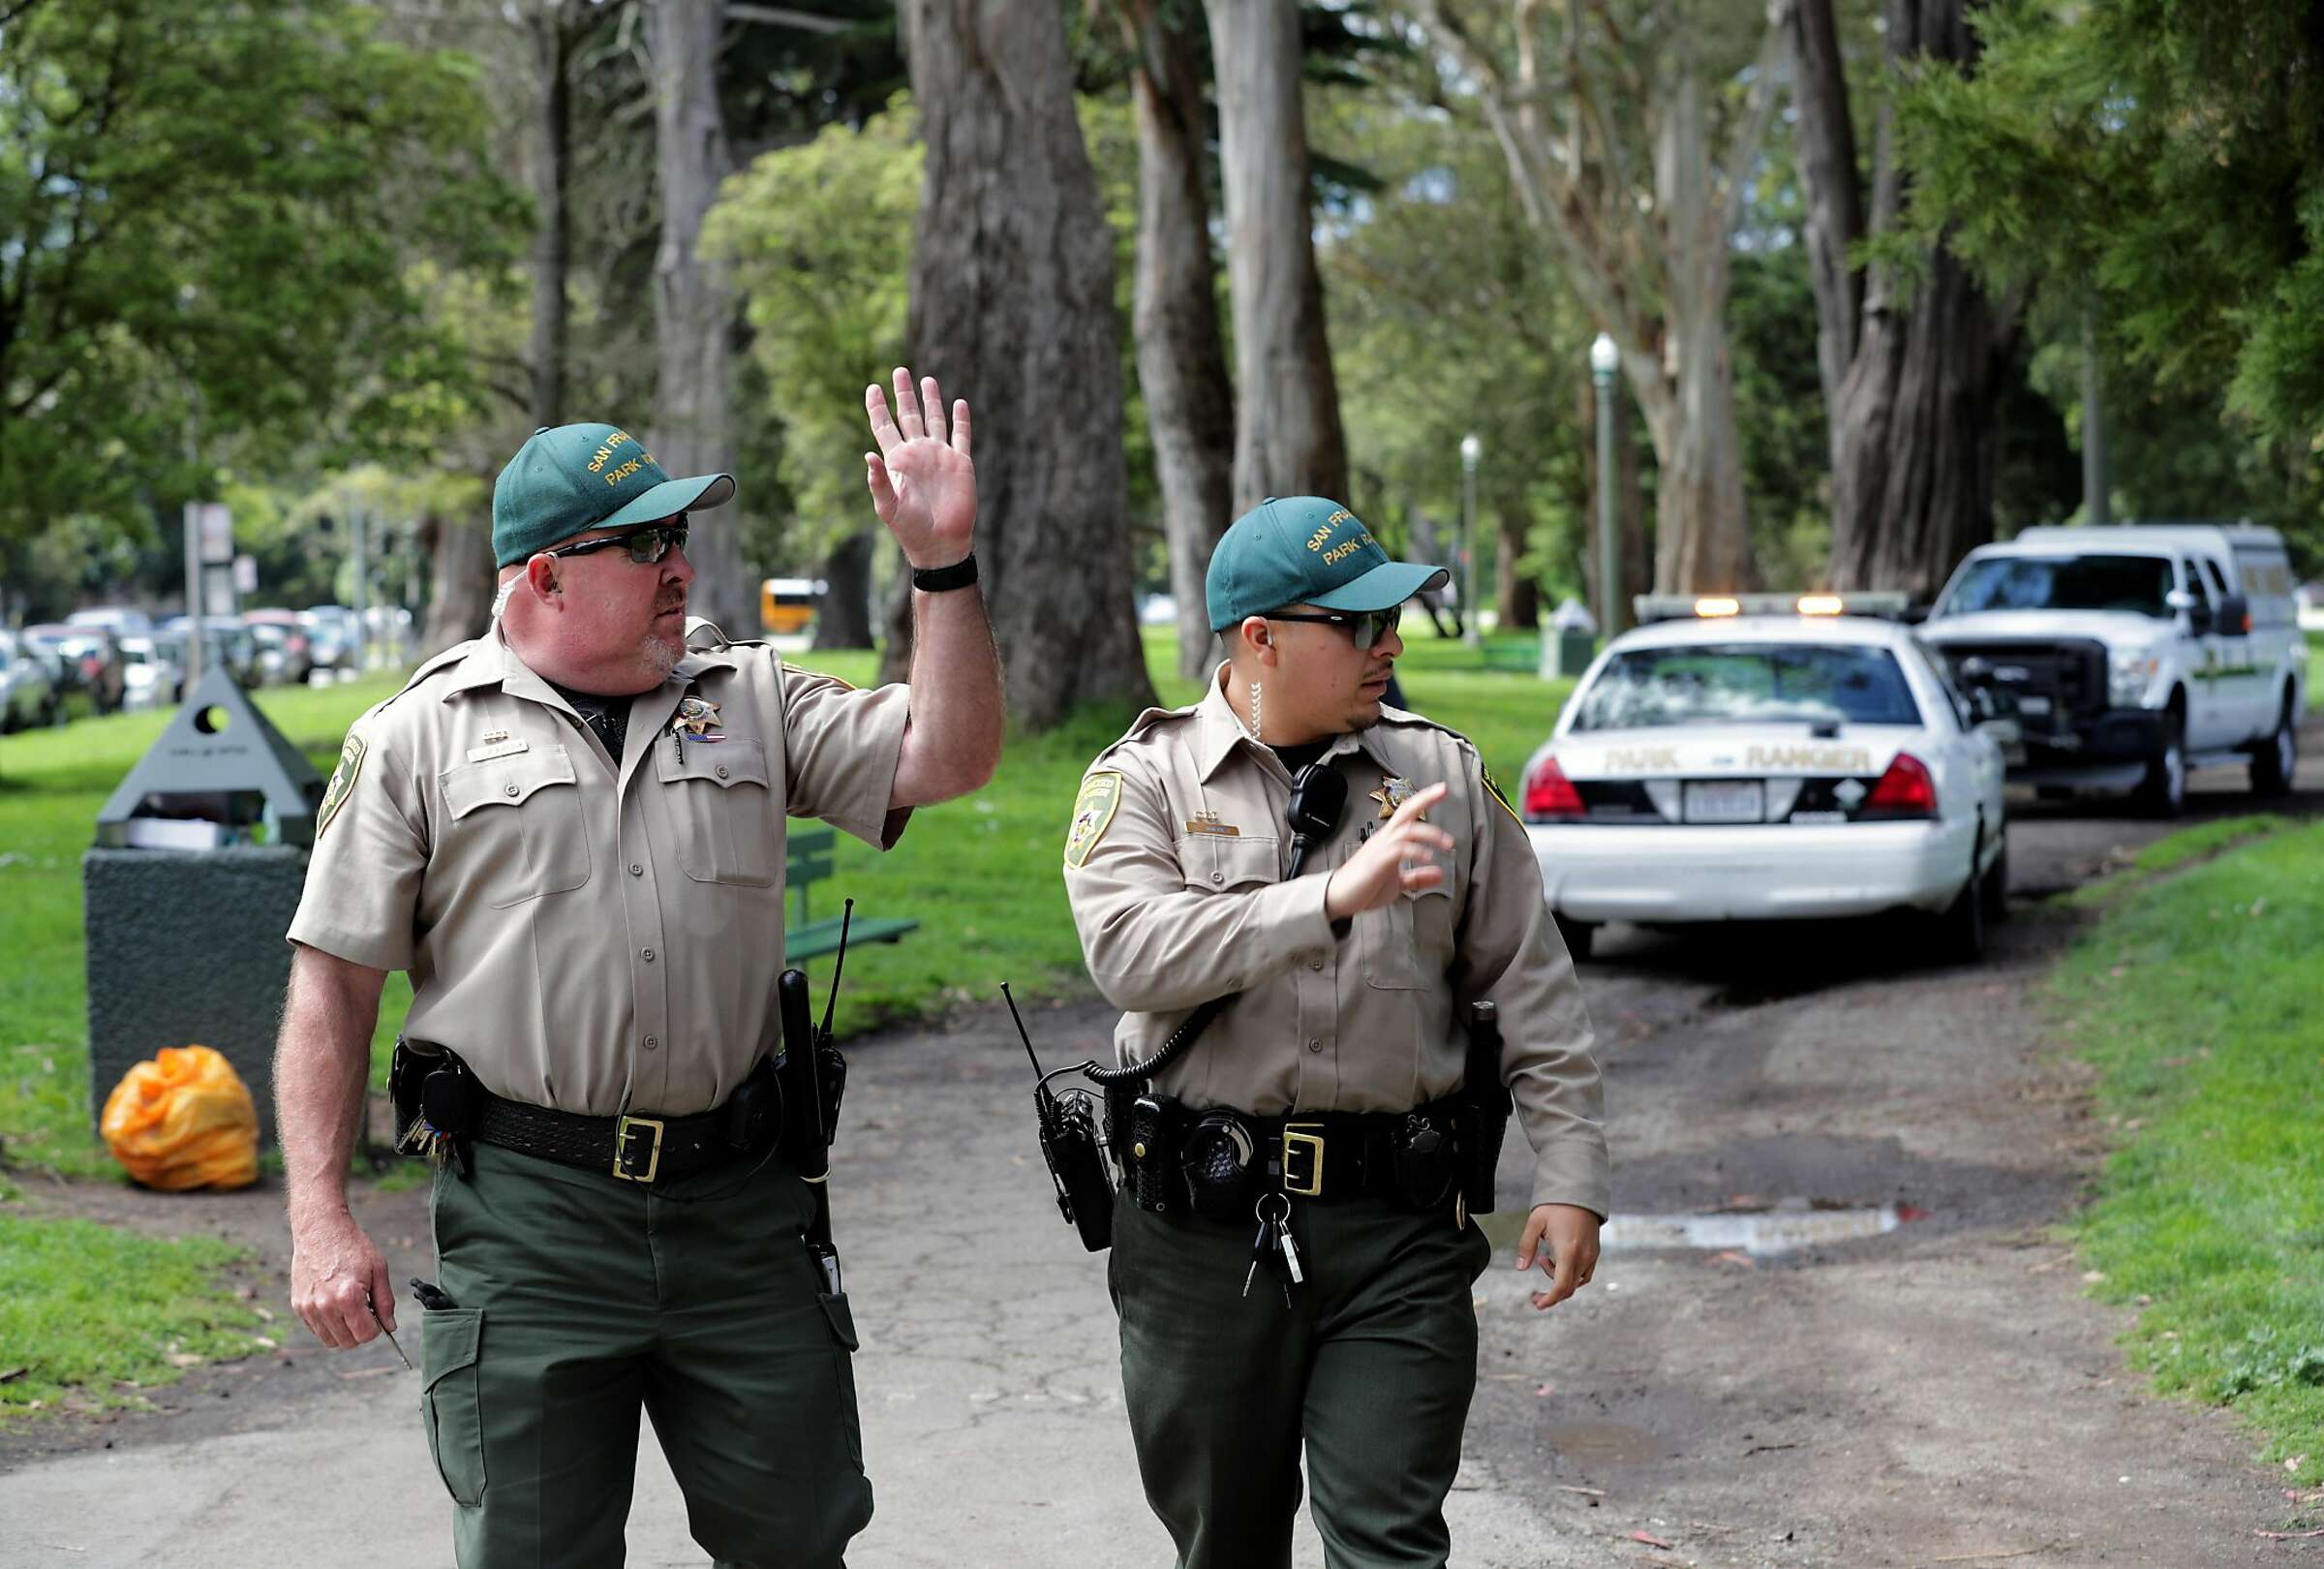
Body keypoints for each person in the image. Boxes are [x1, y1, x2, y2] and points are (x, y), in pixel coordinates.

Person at [274, 369, 1000, 1569]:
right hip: (532, 1220)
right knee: (534, 1550)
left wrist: (944, 567)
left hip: (740, 1204)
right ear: (544, 576)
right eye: (643, 544)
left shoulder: (749, 697)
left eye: (681, 537)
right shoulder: (417, 739)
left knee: (797, 1540)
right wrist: (319, 1219)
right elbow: (332, 985)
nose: (681, 567)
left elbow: (950, 754)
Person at [1062, 496, 1608, 1569]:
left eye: (1390, 618)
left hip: (1394, 1228)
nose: (1389, 643)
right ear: (1260, 638)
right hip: (1202, 1242)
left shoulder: (1440, 778)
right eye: (1357, 623)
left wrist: (1573, 1173)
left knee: (1391, 1542)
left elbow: (1533, 985)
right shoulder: (1145, 782)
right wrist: (1328, 900)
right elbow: (1130, 953)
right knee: (1227, 1544)